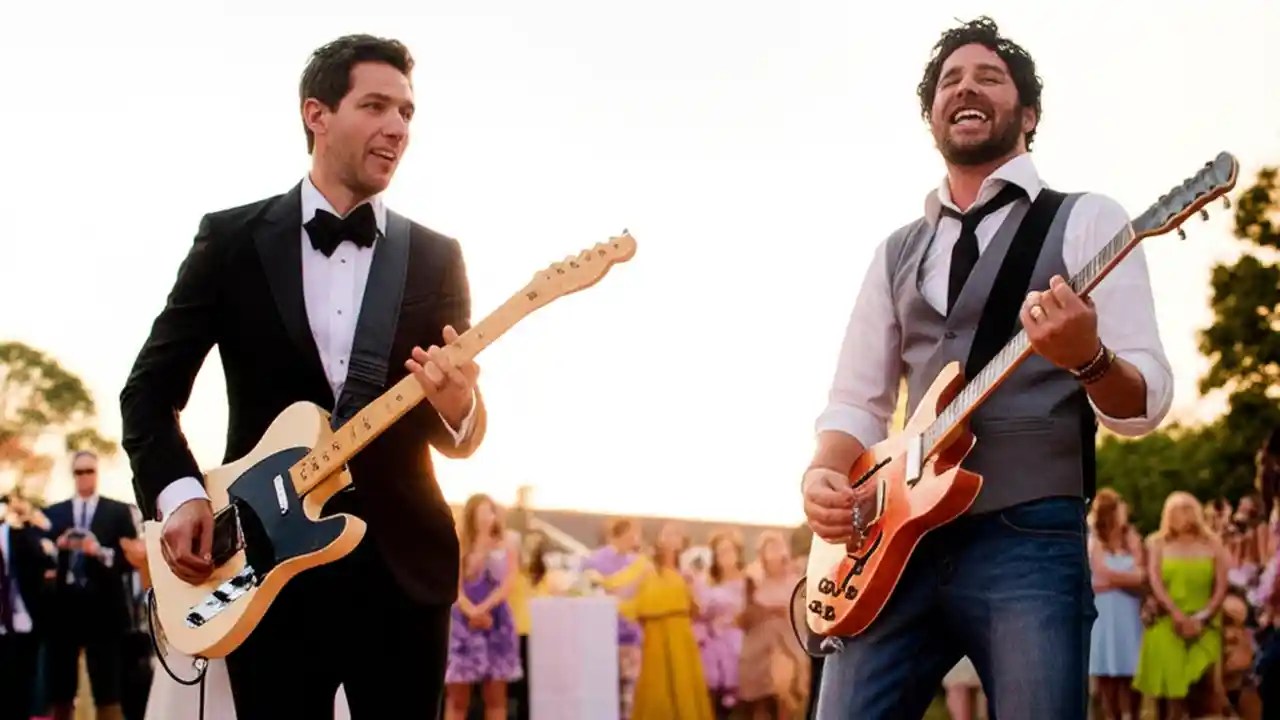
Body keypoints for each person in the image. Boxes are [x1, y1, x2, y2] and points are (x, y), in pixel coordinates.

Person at [800, 16, 1172, 719]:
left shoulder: (1091, 220)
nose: (966, 88)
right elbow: (855, 402)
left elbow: (1144, 403)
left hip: (1028, 541)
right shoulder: (894, 252)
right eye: (950, 81)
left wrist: (1087, 359)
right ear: (933, 114)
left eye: (989, 78)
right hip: (891, 548)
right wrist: (823, 472)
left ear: (1028, 114)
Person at [119, 33, 486, 718]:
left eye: (407, 112)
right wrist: (180, 497)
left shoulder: (436, 256)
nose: (397, 128)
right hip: (265, 566)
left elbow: (456, 435)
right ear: (317, 114)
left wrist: (460, 404)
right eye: (375, 106)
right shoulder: (230, 241)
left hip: (402, 570)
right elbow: (148, 391)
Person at [42, 451, 139, 720]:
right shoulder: (54, 513)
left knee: (107, 688)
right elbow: (39, 557)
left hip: (104, 608)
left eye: (89, 471)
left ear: (97, 473)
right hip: (64, 609)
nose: (84, 477)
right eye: (79, 472)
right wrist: (56, 547)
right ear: (72, 475)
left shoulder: (117, 511)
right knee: (60, 689)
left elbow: (131, 558)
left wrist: (99, 551)